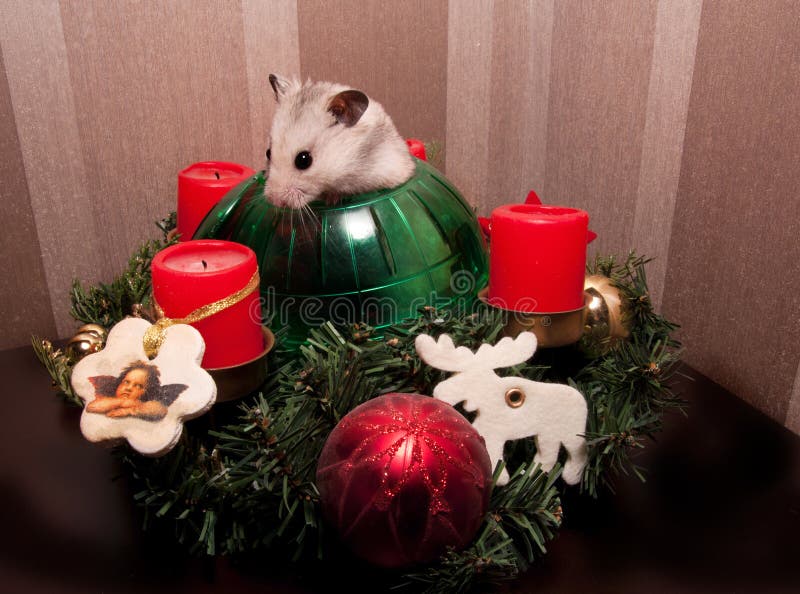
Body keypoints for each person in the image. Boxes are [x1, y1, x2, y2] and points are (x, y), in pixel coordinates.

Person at [86, 361, 182, 421]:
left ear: (146, 392)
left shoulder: (141, 404)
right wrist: (122, 401)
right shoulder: (108, 398)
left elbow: (160, 409)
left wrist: (130, 410)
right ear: (118, 384)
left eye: (138, 386)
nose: (129, 388)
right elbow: (92, 407)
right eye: (126, 382)